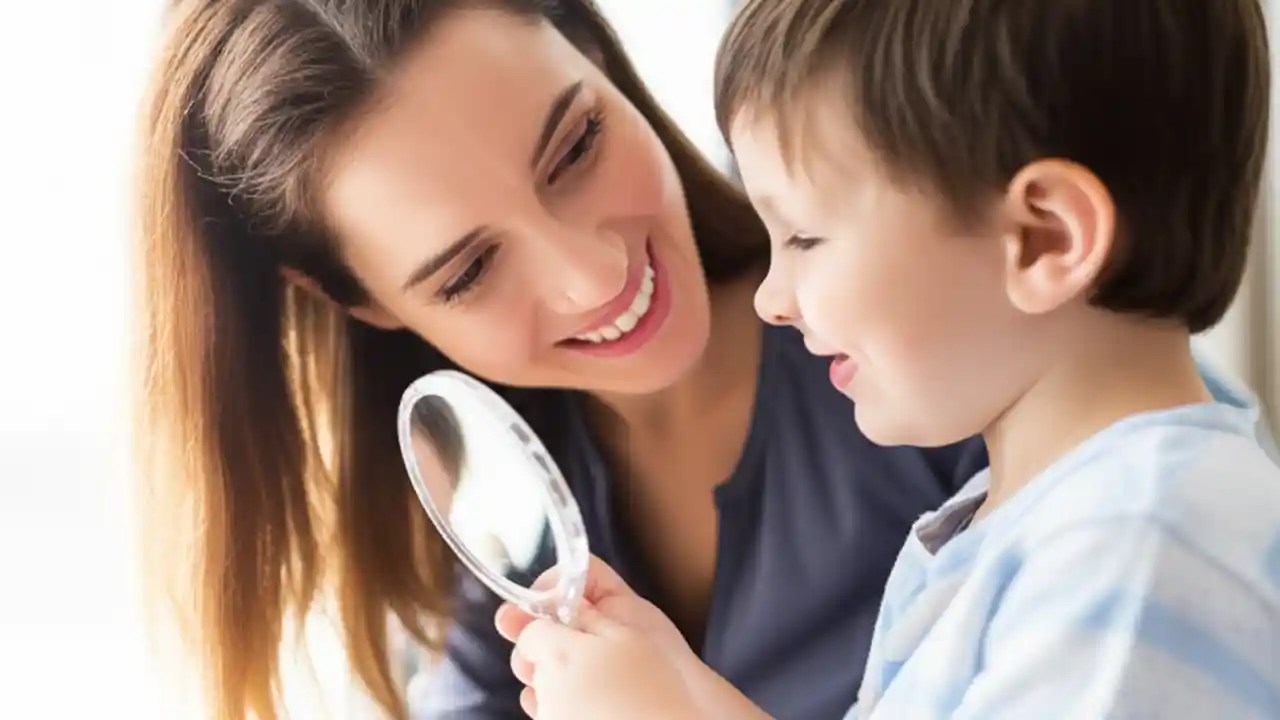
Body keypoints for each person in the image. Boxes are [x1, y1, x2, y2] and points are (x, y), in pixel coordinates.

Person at [135, 2, 992, 719]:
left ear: (591, 46)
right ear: (362, 304)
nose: (594, 277)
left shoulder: (946, 353)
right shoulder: (492, 537)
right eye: (470, 272)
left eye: (577, 147)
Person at [501, 0, 1280, 718]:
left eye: (805, 236)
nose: (772, 298)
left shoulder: (1133, 545)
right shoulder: (1045, 527)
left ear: (1046, 240)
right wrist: (685, 692)